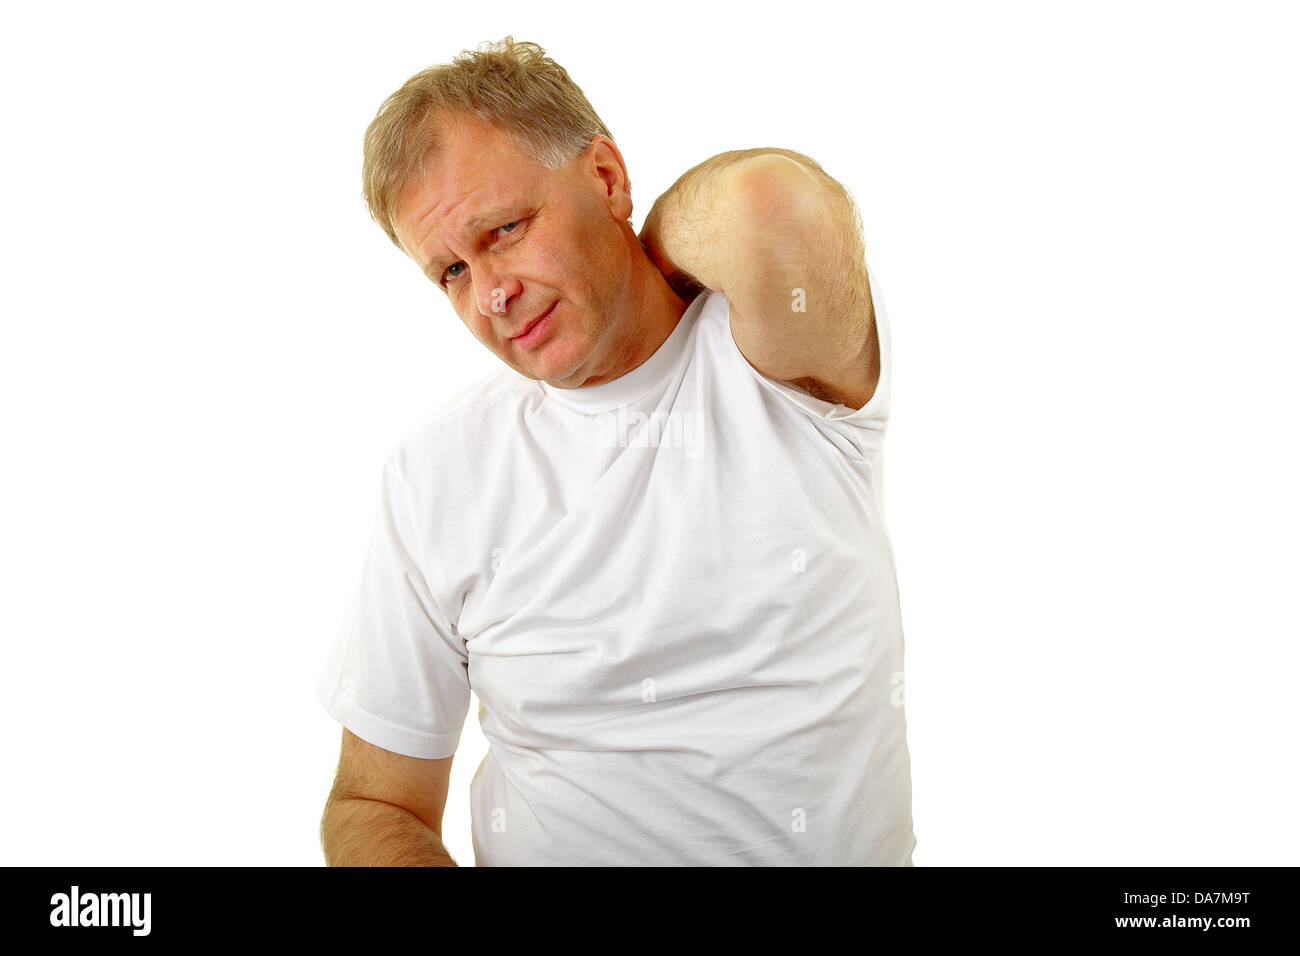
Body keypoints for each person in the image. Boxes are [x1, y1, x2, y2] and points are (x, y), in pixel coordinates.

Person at [316, 36, 916, 866]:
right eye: (451, 271)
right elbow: (374, 802)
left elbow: (771, 203)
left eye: (506, 229)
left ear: (606, 179)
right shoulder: (435, 474)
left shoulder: (776, 365)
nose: (491, 292)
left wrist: (652, 258)